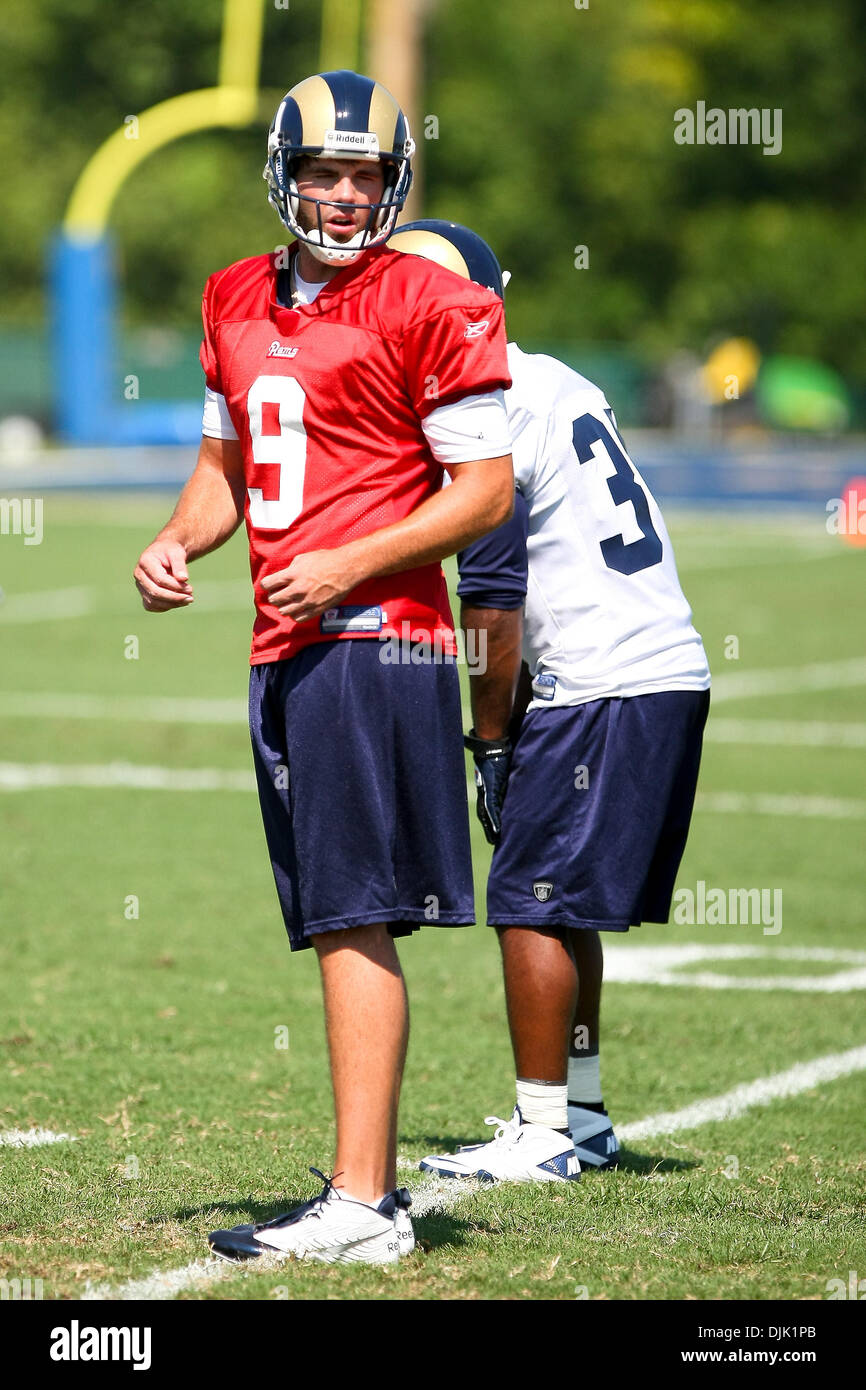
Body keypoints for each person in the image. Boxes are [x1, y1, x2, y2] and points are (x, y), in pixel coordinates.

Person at [133, 77, 514, 1263]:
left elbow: (482, 492)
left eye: (363, 176)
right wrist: (177, 537)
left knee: (355, 914)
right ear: (284, 171)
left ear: (394, 182)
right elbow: (225, 468)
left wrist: (349, 561)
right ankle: (360, 1194)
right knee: (330, 915)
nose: (342, 197)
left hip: (376, 636)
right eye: (323, 173)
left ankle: (362, 1203)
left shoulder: (430, 299)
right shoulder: (232, 292)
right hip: (283, 640)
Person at [388, 221, 711, 1181]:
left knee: (528, 899)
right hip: (661, 666)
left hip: (604, 679)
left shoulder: (489, 407)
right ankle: (581, 1111)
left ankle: (543, 1134)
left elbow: (491, 599)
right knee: (559, 902)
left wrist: (490, 741)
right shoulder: (556, 377)